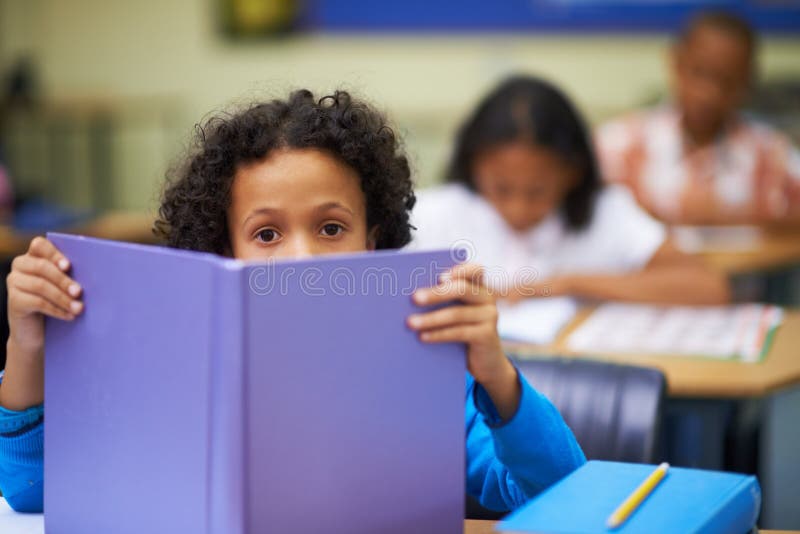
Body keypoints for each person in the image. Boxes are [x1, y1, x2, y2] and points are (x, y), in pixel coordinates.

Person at [0, 89, 585, 513]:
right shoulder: (175, 374)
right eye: (266, 234)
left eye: (331, 228)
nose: (302, 259)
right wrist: (27, 347)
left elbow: (559, 496)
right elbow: (31, 491)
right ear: (225, 250)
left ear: (372, 239)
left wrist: (497, 377)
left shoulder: (430, 372)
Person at [411, 75, 730, 304]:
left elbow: (708, 286)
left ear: (573, 172)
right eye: (501, 189)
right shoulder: (436, 213)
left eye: (537, 192)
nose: (517, 209)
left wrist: (566, 283)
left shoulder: (608, 214)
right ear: (472, 165)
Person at [596, 10, 800, 225]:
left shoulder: (771, 154)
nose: (709, 93)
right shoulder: (617, 146)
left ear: (747, 83)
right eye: (700, 73)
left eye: (727, 82)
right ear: (676, 62)